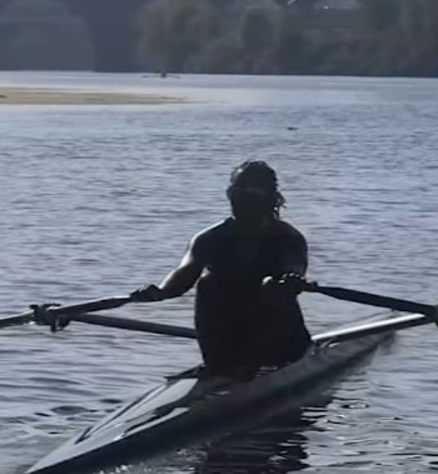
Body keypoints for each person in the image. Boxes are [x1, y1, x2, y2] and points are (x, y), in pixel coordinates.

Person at [131, 160, 312, 378]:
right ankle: (222, 365)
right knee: (209, 283)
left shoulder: (288, 238)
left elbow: (294, 268)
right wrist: (159, 292)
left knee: (270, 285)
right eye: (236, 190)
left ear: (268, 197)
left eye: (250, 191)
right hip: (227, 340)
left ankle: (264, 365)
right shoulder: (209, 237)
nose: (241, 197)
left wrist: (292, 281)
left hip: (281, 342)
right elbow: (186, 272)